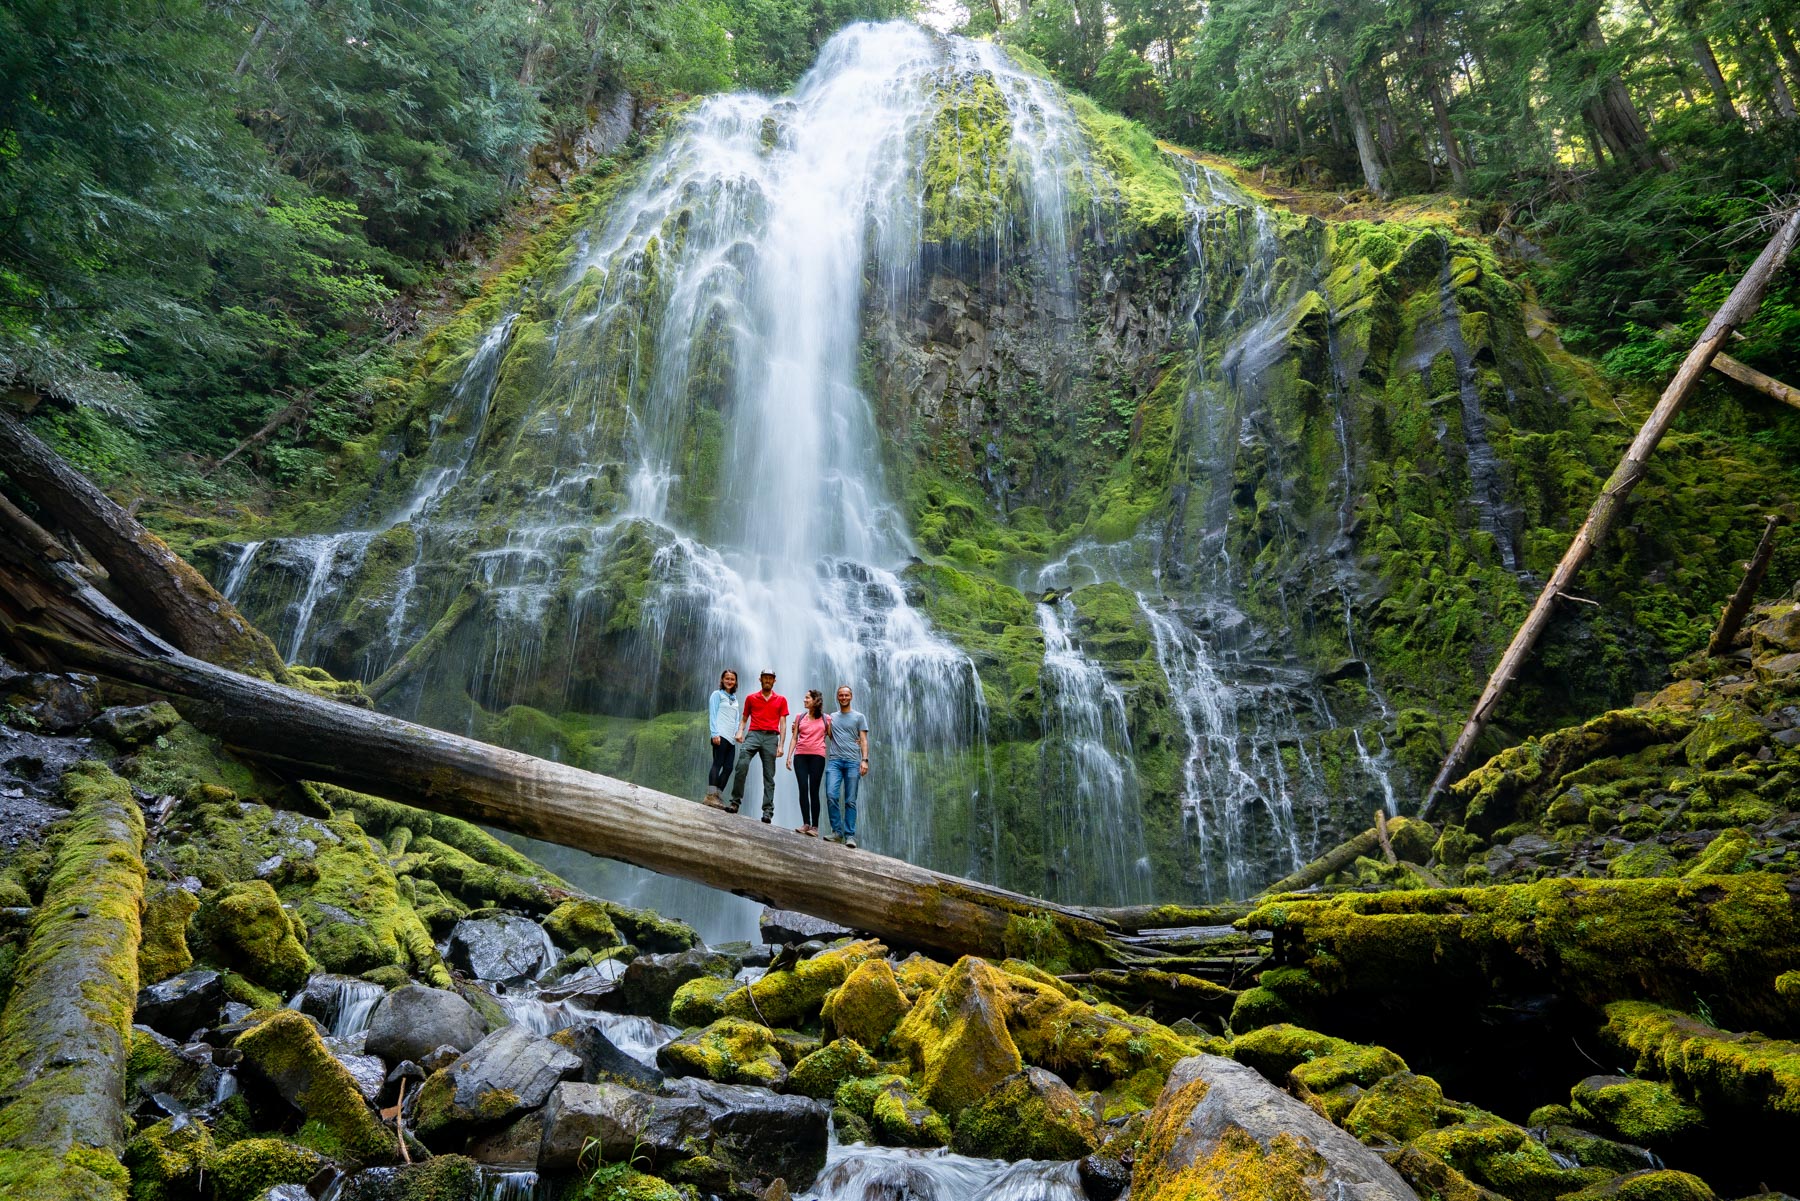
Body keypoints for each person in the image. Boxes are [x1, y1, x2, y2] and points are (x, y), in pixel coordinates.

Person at [731, 669, 789, 822]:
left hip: (771, 737)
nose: (768, 680)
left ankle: (768, 811)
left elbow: (783, 724)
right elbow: (744, 719)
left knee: (769, 776)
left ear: (774, 681)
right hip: (754, 734)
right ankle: (735, 802)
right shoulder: (751, 698)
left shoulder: (781, 700)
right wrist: (739, 732)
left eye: (770, 678)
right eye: (765, 678)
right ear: (760, 679)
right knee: (741, 765)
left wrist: (781, 745)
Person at [822, 684, 869, 848]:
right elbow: (824, 732)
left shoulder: (859, 717)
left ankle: (850, 835)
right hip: (834, 761)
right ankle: (837, 832)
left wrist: (864, 760)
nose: (843, 698)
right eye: (841, 695)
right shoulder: (831, 717)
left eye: (846, 695)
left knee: (850, 801)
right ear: (837, 697)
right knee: (831, 795)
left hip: (852, 762)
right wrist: (796, 727)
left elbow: (863, 739)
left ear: (851, 696)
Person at [785, 689, 828, 836]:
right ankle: (806, 823)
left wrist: (856, 740)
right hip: (800, 756)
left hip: (817, 756)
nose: (804, 700)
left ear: (816, 700)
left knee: (813, 790)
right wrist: (789, 756)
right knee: (803, 789)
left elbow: (834, 736)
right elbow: (794, 737)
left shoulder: (826, 719)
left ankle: (815, 827)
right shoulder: (799, 716)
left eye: (807, 698)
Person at [704, 670, 741, 808]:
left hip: (731, 739)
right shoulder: (717, 694)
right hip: (720, 735)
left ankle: (717, 796)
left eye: (732, 679)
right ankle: (710, 796)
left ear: (735, 682)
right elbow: (712, 714)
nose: (729, 681)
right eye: (727, 678)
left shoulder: (735, 699)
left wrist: (738, 733)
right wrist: (714, 733)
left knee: (729, 768)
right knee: (717, 764)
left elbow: (736, 719)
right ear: (722, 680)